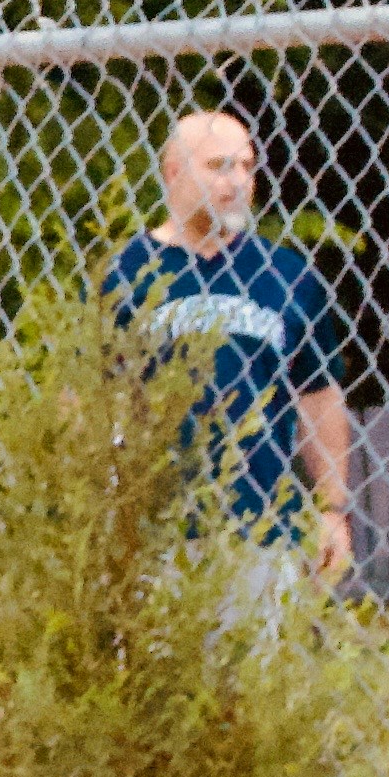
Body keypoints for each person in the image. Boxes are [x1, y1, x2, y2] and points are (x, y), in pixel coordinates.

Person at [105, 108, 354, 587]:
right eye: (218, 166)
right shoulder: (125, 274)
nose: (237, 180)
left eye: (246, 166)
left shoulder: (287, 276)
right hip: (154, 532)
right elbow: (86, 400)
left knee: (257, 660)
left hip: (263, 531)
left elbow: (318, 396)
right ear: (174, 173)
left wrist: (331, 508)